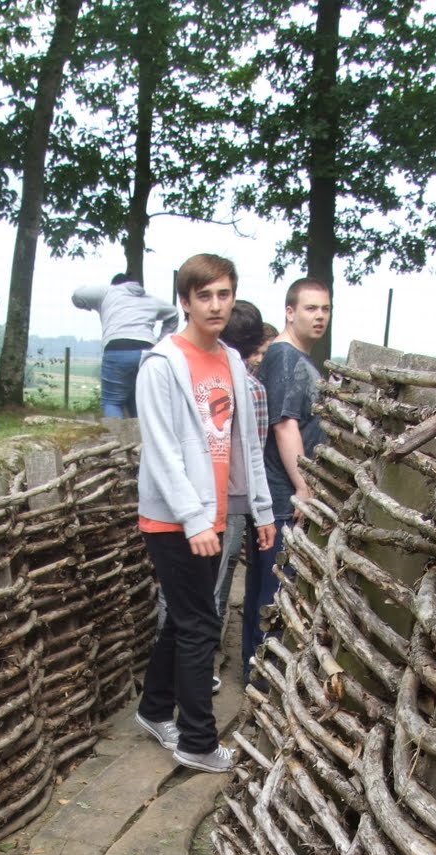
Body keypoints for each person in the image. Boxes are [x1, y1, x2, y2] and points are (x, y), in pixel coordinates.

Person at [134, 254, 275, 773]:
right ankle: (197, 740)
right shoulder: (162, 364)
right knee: (199, 624)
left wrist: (260, 511)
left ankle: (153, 710)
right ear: (185, 301)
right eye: (205, 296)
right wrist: (194, 520)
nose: (216, 305)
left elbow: (243, 446)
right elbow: (162, 449)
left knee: (184, 619)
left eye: (224, 294)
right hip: (174, 520)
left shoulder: (232, 361)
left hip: (213, 515)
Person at [242, 278, 330, 681]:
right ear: (289, 311)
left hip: (281, 496)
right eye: (311, 308)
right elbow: (284, 425)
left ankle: (255, 674)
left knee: (268, 588)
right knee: (276, 592)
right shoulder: (285, 358)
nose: (320, 316)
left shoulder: (292, 358)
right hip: (283, 499)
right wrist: (303, 487)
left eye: (325, 309)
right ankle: (263, 679)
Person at [215, 300, 270, 633]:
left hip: (200, 497)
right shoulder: (254, 390)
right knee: (218, 586)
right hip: (233, 501)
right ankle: (206, 664)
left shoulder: (207, 382)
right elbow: (255, 452)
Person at [71, 273, 179, 419]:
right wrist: (160, 343)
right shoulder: (151, 299)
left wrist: (83, 288)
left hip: (117, 350)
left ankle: (115, 440)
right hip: (146, 352)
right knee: (139, 402)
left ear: (114, 285)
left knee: (112, 402)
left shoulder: (109, 291)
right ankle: (144, 440)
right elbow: (173, 313)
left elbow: (78, 296)